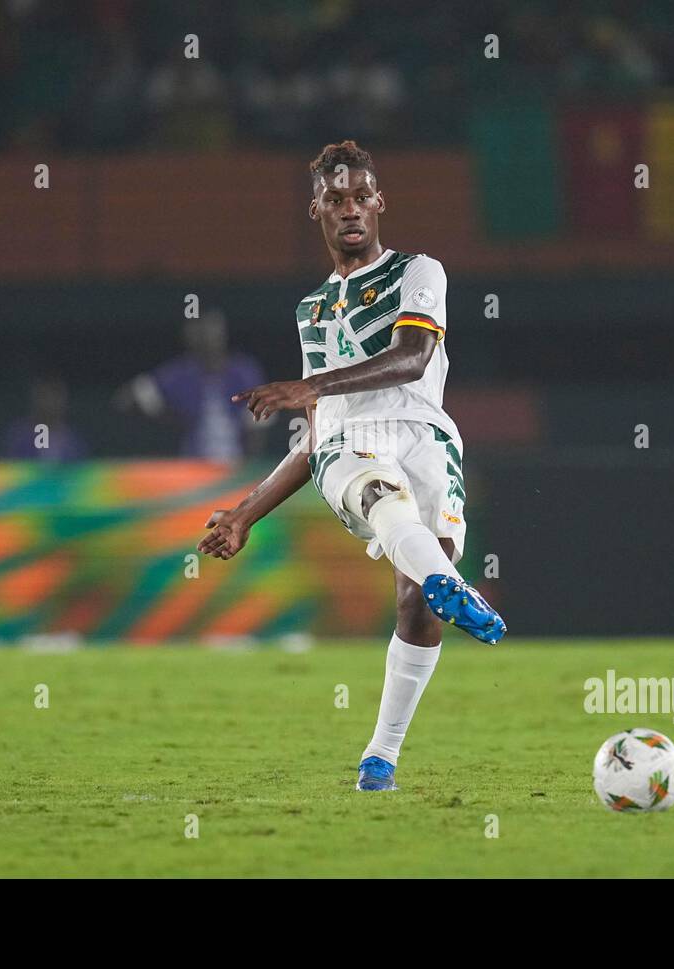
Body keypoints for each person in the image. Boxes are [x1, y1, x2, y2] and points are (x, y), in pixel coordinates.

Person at [197, 140, 506, 792]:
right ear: (317, 209)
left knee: (417, 600)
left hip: (424, 434)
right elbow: (313, 436)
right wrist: (245, 512)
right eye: (336, 198)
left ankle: (379, 760)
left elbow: (413, 357)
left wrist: (313, 387)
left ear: (380, 202)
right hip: (348, 444)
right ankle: (450, 582)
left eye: (362, 195)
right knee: (382, 499)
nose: (351, 208)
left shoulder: (419, 271)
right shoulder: (310, 310)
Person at [116, 309, 264, 461]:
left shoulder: (243, 371)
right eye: (200, 331)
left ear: (223, 332)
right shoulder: (178, 373)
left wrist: (248, 467)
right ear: (189, 336)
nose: (207, 337)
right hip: (191, 466)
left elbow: (258, 426)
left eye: (212, 330)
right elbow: (127, 399)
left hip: (235, 463)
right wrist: (169, 417)